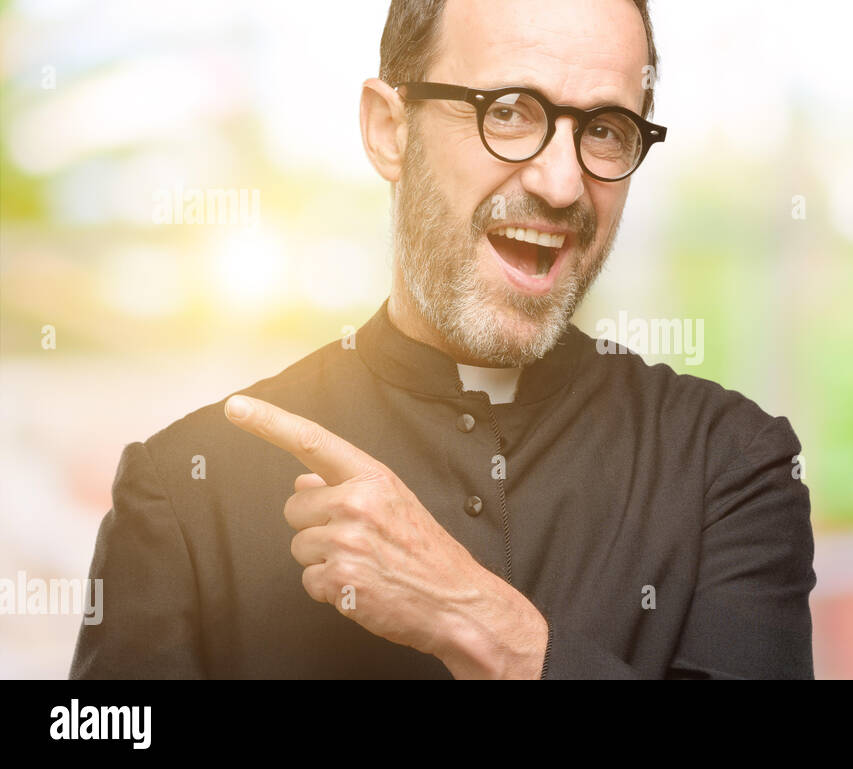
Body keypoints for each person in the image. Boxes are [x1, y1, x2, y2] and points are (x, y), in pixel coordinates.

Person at [70, 0, 815, 679]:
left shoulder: (731, 468)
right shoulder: (184, 491)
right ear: (389, 130)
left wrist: (479, 620)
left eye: (606, 129)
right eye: (512, 111)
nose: (561, 184)